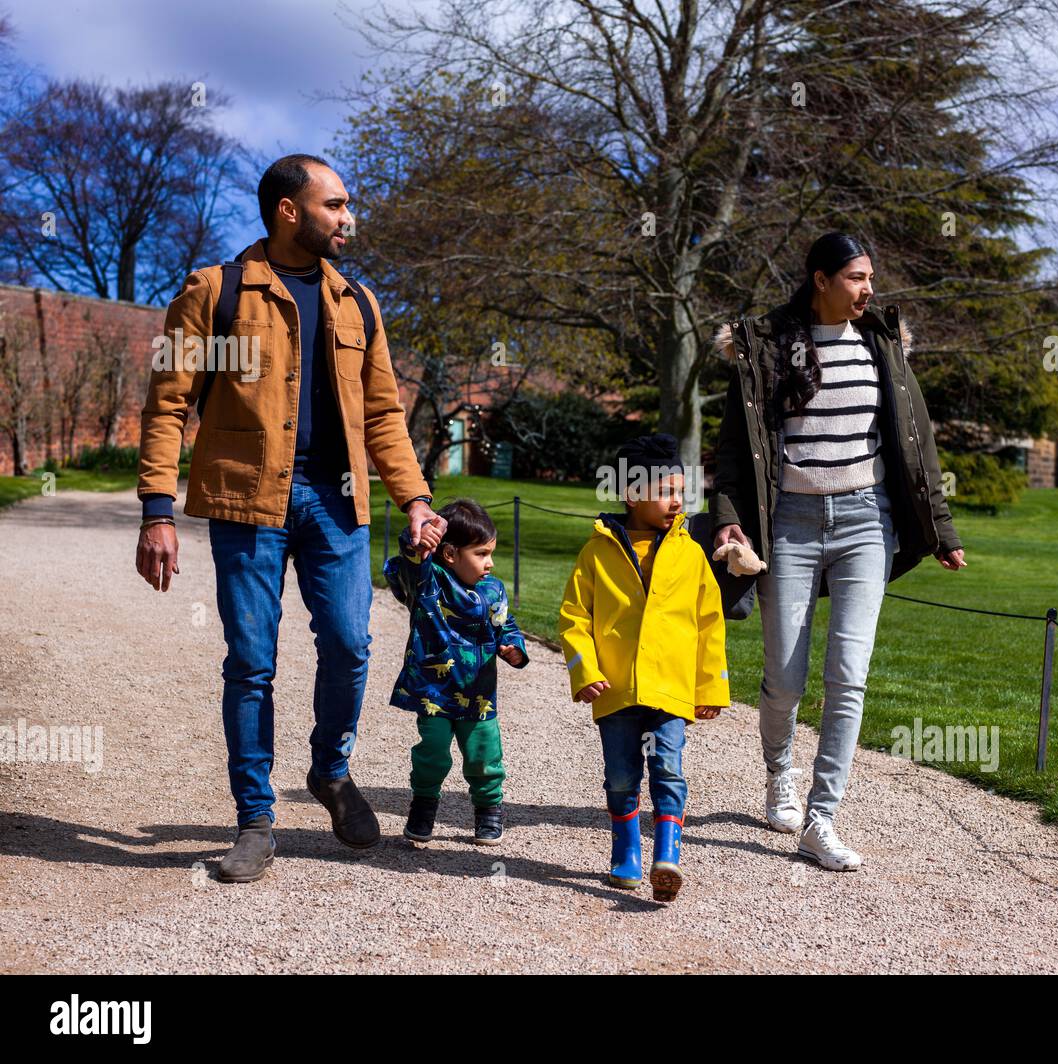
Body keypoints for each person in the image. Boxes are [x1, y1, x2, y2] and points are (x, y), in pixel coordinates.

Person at [134, 153, 445, 883]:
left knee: (350, 643)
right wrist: (157, 510)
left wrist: (416, 499)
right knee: (251, 661)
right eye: (334, 205)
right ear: (288, 210)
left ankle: (329, 772)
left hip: (338, 503)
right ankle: (254, 821)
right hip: (247, 503)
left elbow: (383, 414)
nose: (348, 218)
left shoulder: (358, 303)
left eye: (347, 205)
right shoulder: (214, 293)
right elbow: (167, 404)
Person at [709, 231, 967, 872]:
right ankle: (779, 775)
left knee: (848, 677)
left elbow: (919, 444)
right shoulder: (766, 349)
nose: (868, 289)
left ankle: (822, 818)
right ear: (820, 278)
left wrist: (943, 530)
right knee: (785, 679)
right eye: (855, 277)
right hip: (790, 523)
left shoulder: (883, 345)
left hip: (865, 523)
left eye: (870, 278)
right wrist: (730, 523)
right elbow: (737, 452)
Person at [558, 433, 730, 902]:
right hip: (615, 690)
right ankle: (627, 854)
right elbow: (574, 617)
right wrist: (584, 670)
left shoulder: (690, 552)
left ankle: (668, 854)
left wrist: (710, 686)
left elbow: (710, 623)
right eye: (667, 492)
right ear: (633, 494)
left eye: (682, 491)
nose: (679, 501)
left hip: (671, 689)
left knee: (669, 770)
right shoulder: (596, 552)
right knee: (620, 775)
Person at [383, 498, 528, 846]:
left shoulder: (493, 589)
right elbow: (410, 551)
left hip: (479, 693)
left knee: (485, 757)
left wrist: (514, 649)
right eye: (480, 554)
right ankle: (424, 804)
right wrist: (422, 533)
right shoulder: (428, 582)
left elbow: (504, 624)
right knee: (431, 753)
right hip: (434, 692)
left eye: (491, 553)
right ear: (449, 554)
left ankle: (489, 810)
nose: (489, 563)